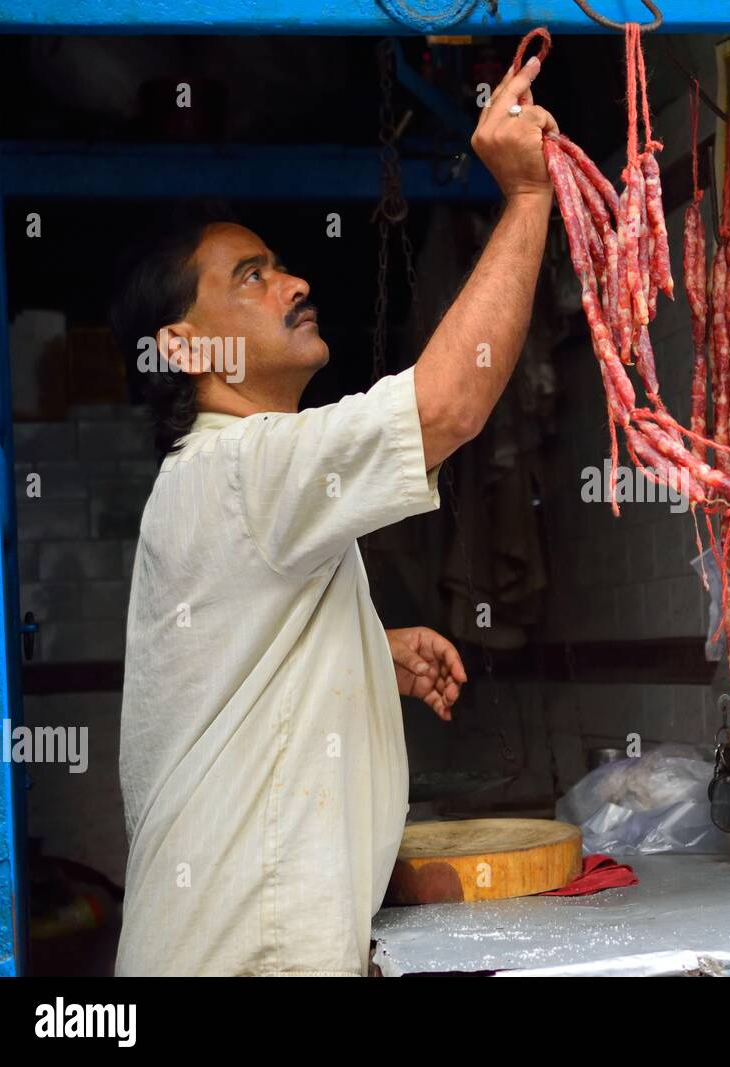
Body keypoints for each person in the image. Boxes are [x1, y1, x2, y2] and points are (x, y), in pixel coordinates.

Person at [108, 55, 557, 976]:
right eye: (252, 276)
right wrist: (525, 197)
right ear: (188, 345)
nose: (293, 282)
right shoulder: (240, 471)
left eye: (278, 265)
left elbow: (235, 667)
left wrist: (365, 650)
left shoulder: (230, 483)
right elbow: (447, 406)